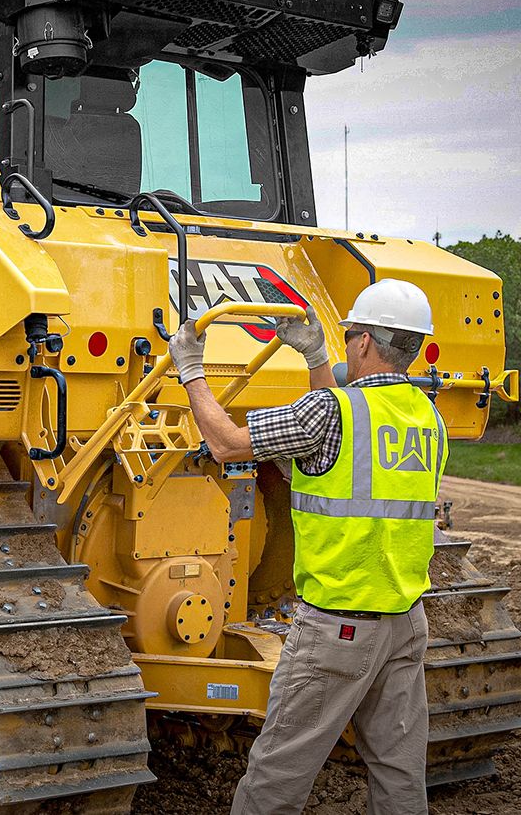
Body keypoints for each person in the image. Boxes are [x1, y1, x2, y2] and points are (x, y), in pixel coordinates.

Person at [168, 279, 447, 815]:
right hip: (404, 625)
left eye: (346, 338)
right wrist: (316, 355)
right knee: (399, 776)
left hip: (337, 630)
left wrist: (192, 371)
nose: (345, 345)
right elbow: (341, 448)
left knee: (275, 781)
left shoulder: (331, 413)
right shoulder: (426, 418)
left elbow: (227, 445)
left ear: (364, 342)